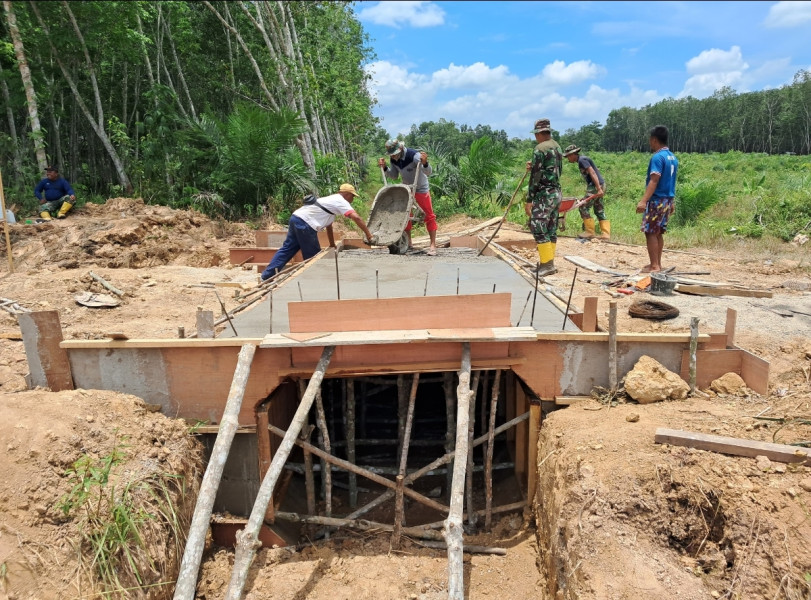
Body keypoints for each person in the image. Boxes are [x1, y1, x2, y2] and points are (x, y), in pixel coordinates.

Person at [260, 184, 377, 281]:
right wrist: (369, 235)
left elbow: (329, 227)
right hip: (305, 224)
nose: (353, 200)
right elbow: (356, 218)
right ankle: (314, 280)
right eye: (353, 197)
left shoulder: (330, 202)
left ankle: (266, 276)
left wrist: (332, 244)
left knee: (288, 249)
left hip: (296, 218)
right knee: (313, 256)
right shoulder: (341, 201)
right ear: (347, 194)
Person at [378, 139, 438, 256]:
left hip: (420, 188)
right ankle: (409, 243)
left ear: (400, 149)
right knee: (406, 215)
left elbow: (428, 172)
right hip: (408, 189)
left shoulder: (413, 155)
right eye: (391, 155)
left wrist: (425, 163)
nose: (393, 157)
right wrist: (385, 168)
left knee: (429, 216)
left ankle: (433, 245)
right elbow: (394, 176)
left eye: (395, 154)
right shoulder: (394, 159)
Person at [636, 125, 678, 273]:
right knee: (658, 232)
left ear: (654, 140)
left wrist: (643, 201)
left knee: (651, 232)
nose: (649, 143)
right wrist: (671, 201)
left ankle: (654, 265)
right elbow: (671, 181)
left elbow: (654, 180)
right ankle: (657, 264)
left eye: (650, 140)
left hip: (656, 200)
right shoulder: (672, 157)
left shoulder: (657, 157)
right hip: (666, 199)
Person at [525, 118, 563, 276]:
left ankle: (547, 265)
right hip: (556, 192)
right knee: (551, 228)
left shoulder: (540, 149)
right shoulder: (557, 146)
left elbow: (535, 176)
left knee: (538, 226)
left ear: (539, 133)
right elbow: (553, 169)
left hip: (544, 194)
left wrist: (529, 199)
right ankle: (548, 263)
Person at [562, 144, 609, 240]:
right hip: (599, 184)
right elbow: (595, 171)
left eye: (568, 157)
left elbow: (592, 172)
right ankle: (606, 233)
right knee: (598, 208)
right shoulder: (584, 159)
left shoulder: (582, 160)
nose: (568, 159)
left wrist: (598, 188)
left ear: (572, 154)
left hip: (596, 186)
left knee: (583, 206)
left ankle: (589, 232)